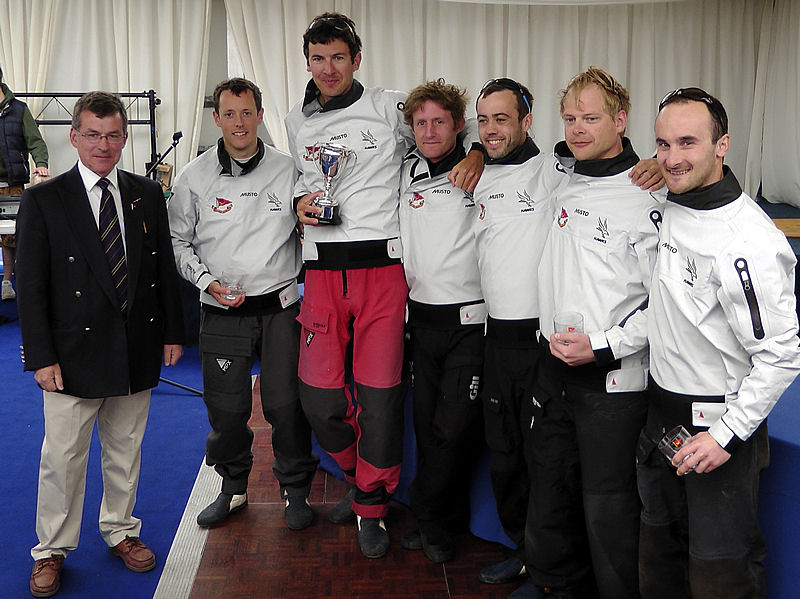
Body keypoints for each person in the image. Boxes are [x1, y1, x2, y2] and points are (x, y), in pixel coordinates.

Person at [285, 12, 484, 559]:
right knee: (320, 399)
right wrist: (298, 206)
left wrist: (478, 153)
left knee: (380, 400)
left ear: (357, 59)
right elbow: (302, 187)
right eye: (318, 58)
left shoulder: (390, 107)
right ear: (307, 62)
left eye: (338, 57)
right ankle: (359, 474)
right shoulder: (294, 122)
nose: (328, 68)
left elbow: (449, 128)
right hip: (322, 274)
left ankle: (371, 503)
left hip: (384, 275)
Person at [16, 91, 184, 598]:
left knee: (125, 450)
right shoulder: (44, 199)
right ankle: (50, 550)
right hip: (69, 353)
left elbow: (161, 270)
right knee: (63, 458)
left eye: (113, 135)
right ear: (73, 137)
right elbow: (31, 285)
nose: (103, 145)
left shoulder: (145, 194)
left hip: (134, 345)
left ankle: (120, 530)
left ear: (124, 137)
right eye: (92, 134)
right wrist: (40, 355)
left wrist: (174, 332)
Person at [638, 88, 800, 598]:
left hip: (717, 430)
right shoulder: (674, 201)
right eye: (662, 144)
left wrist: (727, 436)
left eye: (688, 142)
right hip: (659, 417)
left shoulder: (747, 239)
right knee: (659, 561)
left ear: (723, 144)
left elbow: (780, 353)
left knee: (719, 575)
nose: (671, 158)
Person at [521, 67, 664, 599]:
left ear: (621, 119)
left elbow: (665, 306)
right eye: (570, 118)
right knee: (550, 492)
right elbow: (500, 149)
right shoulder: (562, 177)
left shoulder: (651, 196)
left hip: (612, 384)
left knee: (610, 508)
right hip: (551, 369)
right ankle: (554, 587)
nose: (578, 128)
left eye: (592, 117)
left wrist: (605, 345)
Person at [169, 78, 318, 531]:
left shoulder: (289, 168)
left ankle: (295, 492)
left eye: (246, 112)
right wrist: (207, 281)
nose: (238, 122)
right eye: (229, 113)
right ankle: (233, 489)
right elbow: (177, 242)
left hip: (280, 310)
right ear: (216, 117)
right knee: (227, 412)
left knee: (285, 406)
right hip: (222, 311)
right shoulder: (193, 177)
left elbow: (310, 221)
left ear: (260, 115)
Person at [469, 77, 571, 589]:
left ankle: (547, 565)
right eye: (483, 119)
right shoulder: (477, 172)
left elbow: (604, 169)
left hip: (539, 343)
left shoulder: (553, 173)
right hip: (494, 340)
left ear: (527, 122)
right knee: (505, 454)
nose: (490, 129)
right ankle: (521, 549)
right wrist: (471, 150)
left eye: (501, 119)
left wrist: (648, 163)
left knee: (542, 460)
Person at [396, 80, 486, 564]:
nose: (430, 131)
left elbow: (495, 143)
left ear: (457, 125)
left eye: (439, 121)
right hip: (420, 323)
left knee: (454, 429)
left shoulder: (481, 169)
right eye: (421, 122)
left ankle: (429, 518)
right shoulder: (405, 168)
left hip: (471, 324)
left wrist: (476, 152)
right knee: (427, 425)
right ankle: (440, 521)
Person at [0, 65, 49, 300]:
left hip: (13, 182)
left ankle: (8, 281)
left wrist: (41, 163)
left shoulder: (19, 110)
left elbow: (36, 142)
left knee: (12, 236)